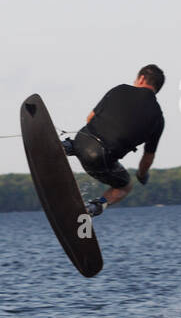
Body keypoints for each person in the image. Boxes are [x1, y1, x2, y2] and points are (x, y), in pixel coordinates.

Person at [62, 64, 165, 216]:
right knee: (125, 186)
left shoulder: (121, 89)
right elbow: (147, 158)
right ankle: (92, 208)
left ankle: (65, 147)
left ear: (141, 78)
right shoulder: (158, 118)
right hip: (100, 160)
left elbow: (90, 118)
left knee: (82, 139)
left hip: (82, 141)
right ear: (157, 87)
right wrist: (142, 175)